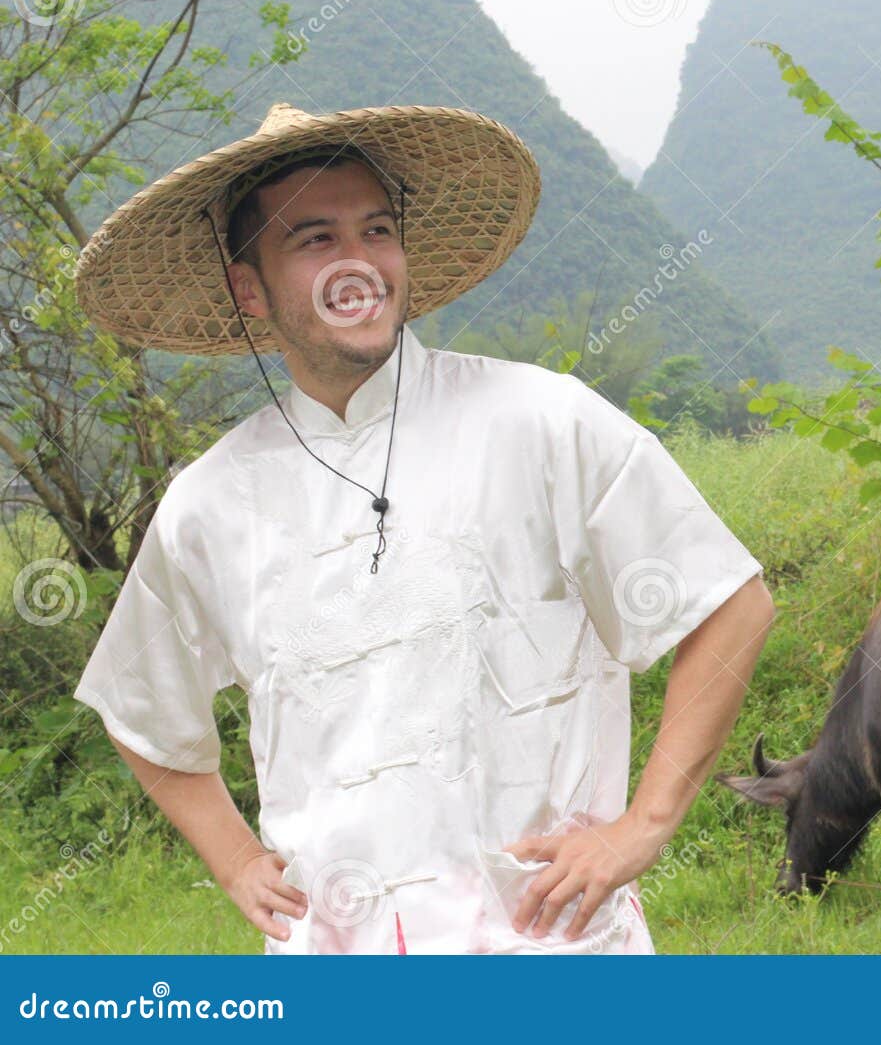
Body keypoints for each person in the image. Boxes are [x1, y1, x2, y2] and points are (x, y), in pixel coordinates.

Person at [69, 102, 775, 954]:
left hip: (545, 954)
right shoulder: (210, 504)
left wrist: (640, 827)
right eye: (315, 239)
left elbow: (729, 604)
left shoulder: (540, 421)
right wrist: (234, 857)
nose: (358, 262)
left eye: (376, 228)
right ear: (249, 288)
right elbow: (137, 701)